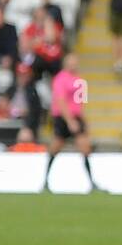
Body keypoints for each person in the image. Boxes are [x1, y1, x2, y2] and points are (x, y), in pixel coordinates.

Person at [45, 52, 99, 192]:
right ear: (66, 63)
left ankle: (92, 182)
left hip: (76, 116)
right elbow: (61, 101)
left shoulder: (80, 80)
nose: (74, 64)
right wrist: (70, 121)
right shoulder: (60, 79)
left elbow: (80, 103)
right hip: (63, 117)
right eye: (71, 62)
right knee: (56, 147)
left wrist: (83, 120)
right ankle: (45, 180)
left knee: (85, 147)